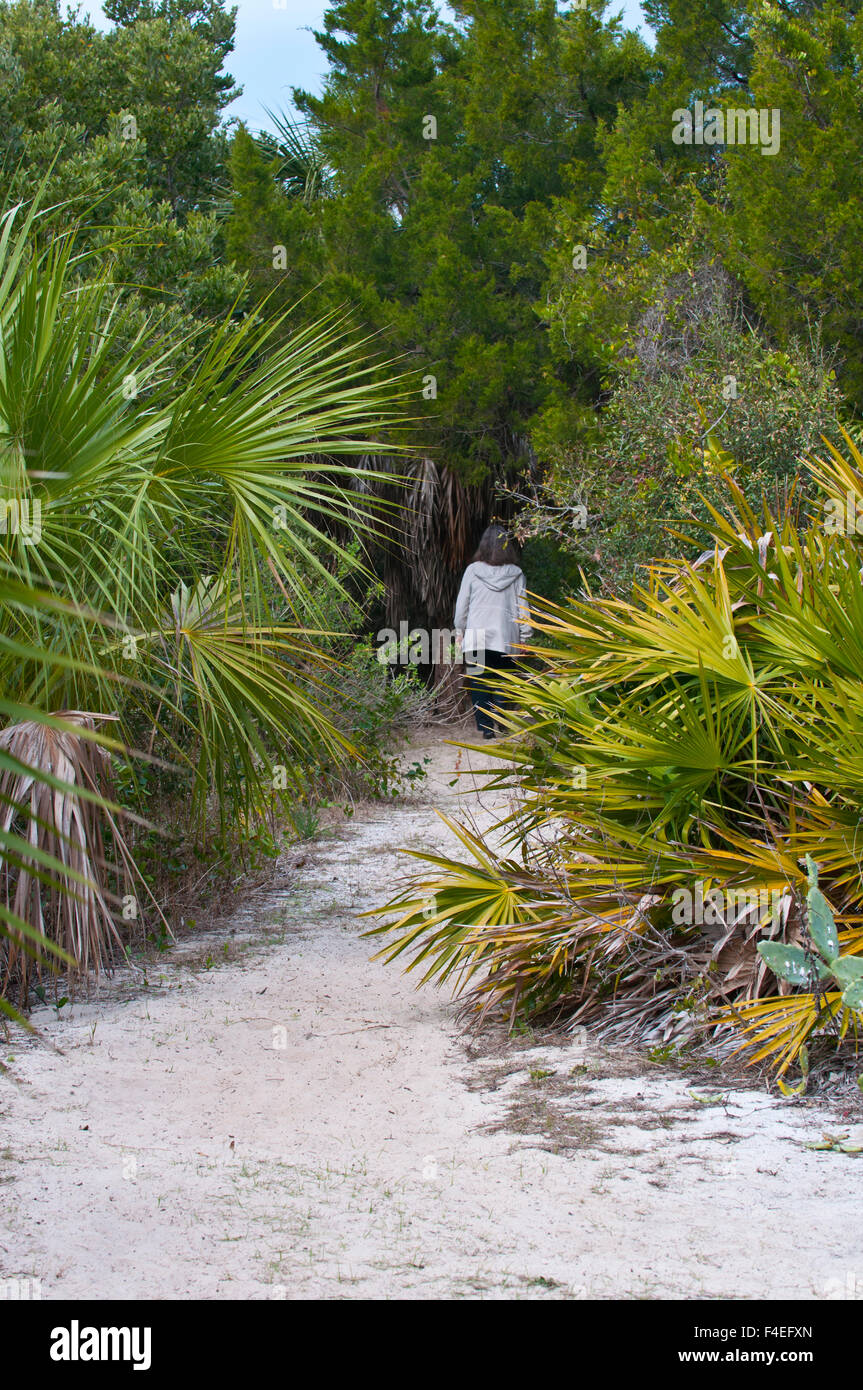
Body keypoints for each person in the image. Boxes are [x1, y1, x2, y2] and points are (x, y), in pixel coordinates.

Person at [454, 524, 531, 739]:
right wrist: (525, 637)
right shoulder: (516, 574)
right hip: (506, 638)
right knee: (504, 681)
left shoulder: (473, 571)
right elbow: (523, 607)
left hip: (477, 638)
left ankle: (487, 730)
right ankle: (503, 722)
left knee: (478, 682)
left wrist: (459, 631)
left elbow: (462, 606)